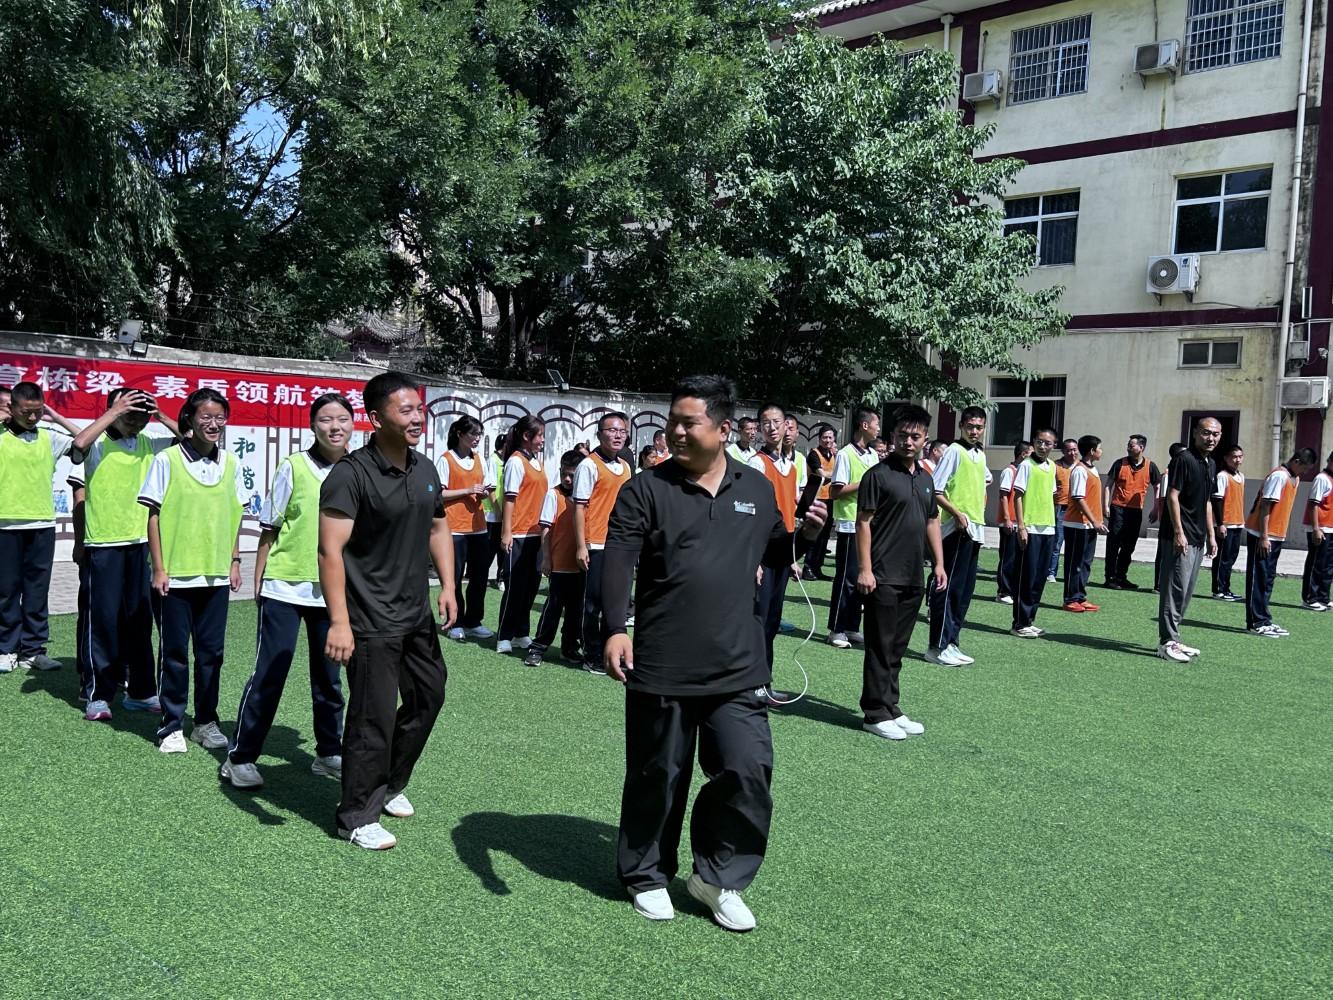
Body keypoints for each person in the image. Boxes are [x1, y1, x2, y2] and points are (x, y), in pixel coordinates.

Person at [600, 374, 826, 932]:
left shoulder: (756, 488)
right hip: (662, 662)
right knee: (658, 774)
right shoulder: (645, 489)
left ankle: (718, 877)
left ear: (723, 430)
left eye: (689, 422)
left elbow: (776, 550)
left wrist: (807, 534)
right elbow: (619, 558)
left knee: (747, 768)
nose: (676, 431)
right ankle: (647, 874)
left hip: (738, 663)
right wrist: (615, 627)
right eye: (672, 421)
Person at [319, 371, 456, 851]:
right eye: (406, 410)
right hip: (369, 618)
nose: (417, 417)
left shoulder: (425, 469)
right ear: (376, 419)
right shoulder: (350, 474)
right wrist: (339, 621)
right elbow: (329, 551)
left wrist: (448, 585)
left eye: (419, 408)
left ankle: (389, 782)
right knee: (371, 717)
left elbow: (438, 527)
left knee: (429, 697)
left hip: (415, 613)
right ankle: (356, 815)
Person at [219, 394, 353, 789]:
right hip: (284, 587)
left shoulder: (359, 470)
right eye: (325, 419)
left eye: (342, 419)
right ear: (312, 426)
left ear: (353, 424)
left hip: (333, 591)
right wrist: (259, 579)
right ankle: (240, 757)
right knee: (270, 673)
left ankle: (328, 753)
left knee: (329, 679)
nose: (334, 427)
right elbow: (270, 527)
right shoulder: (293, 466)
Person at [138, 388, 247, 753]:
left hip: (215, 575)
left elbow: (235, 516)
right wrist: (159, 568)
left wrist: (234, 561)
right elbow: (153, 516)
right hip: (175, 576)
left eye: (220, 417)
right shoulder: (167, 459)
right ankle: (171, 725)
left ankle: (205, 722)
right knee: (174, 653)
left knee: (211, 654)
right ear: (189, 419)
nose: (213, 424)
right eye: (206, 417)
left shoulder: (231, 463)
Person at [69, 388, 179, 720]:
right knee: (101, 621)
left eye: (142, 418)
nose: (137, 423)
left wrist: (159, 414)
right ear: (114, 410)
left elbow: (189, 439)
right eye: (130, 416)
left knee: (140, 621)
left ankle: (141, 692)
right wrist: (115, 412)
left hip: (141, 545)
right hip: (103, 545)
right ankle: (98, 695)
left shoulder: (149, 444)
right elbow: (78, 445)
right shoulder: (97, 443)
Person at [855, 404, 945, 740]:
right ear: (892, 436)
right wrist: (865, 569)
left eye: (915, 436)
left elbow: (932, 521)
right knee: (880, 645)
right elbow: (863, 523)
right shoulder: (877, 475)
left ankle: (891, 706)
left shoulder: (925, 478)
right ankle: (874, 713)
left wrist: (939, 563)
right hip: (882, 574)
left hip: (912, 575)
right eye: (903, 435)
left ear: (925, 439)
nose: (908, 442)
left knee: (897, 646)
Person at [0, 382, 80, 675]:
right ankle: (6, 649)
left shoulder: (49, 437)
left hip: (42, 525)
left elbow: (84, 441)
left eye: (37, 411)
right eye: (26, 412)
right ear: (12, 408)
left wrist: (56, 417)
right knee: (6, 591)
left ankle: (33, 651)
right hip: (4, 525)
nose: (33, 418)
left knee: (37, 591)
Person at [926, 407, 989, 666]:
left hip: (974, 529)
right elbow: (936, 490)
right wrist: (957, 513)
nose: (974, 431)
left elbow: (983, 483)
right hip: (955, 529)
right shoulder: (953, 451)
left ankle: (952, 642)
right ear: (961, 425)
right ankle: (937, 647)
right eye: (970, 426)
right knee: (949, 588)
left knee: (964, 591)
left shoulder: (979, 454)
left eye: (979, 427)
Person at [748, 404, 805, 685]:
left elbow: (789, 514)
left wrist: (792, 557)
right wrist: (754, 559)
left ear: (787, 426)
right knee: (757, 621)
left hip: (783, 551)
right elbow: (750, 514)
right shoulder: (757, 464)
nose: (771, 427)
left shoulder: (791, 468)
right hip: (763, 552)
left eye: (776, 422)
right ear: (760, 428)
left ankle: (764, 683)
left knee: (772, 621)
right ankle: (754, 685)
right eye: (765, 422)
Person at [1156, 418, 1221, 661]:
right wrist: (1178, 532)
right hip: (1179, 536)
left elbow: (1207, 502)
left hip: (1198, 535)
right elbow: (1172, 496)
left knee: (1186, 590)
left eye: (1215, 434)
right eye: (1206, 433)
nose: (1211, 438)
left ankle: (1174, 638)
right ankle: (1167, 642)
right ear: (1195, 433)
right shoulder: (1183, 459)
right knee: (1174, 589)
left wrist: (1211, 535)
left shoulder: (1210, 463)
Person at [573, 411, 631, 673]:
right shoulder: (589, 465)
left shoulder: (626, 467)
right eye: (612, 430)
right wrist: (581, 545)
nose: (618, 435)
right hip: (596, 543)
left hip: (620, 544)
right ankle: (592, 654)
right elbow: (579, 507)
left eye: (622, 431)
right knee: (593, 604)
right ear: (599, 435)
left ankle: (612, 654)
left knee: (616, 603)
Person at [1243, 448, 1316, 638]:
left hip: (1276, 536)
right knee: (1258, 578)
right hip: (1262, 535)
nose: (1305, 472)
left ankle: (1264, 618)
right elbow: (1265, 506)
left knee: (1267, 579)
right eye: (1305, 468)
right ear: (1297, 462)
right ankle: (1255, 622)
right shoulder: (1279, 476)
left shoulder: (1293, 478)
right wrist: (1264, 537)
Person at [437, 415, 497, 642]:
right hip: (453, 529)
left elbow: (487, 489)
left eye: (479, 434)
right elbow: (439, 494)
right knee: (453, 578)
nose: (477, 438)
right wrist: (467, 490)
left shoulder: (480, 459)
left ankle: (473, 621)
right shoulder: (446, 459)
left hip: (478, 527)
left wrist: (483, 494)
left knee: (479, 577)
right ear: (460, 434)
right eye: (473, 433)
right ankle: (455, 621)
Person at [525, 450, 586, 667]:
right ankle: (538, 647)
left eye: (572, 475)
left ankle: (569, 648)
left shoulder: (586, 497)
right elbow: (546, 529)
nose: (567, 479)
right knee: (553, 608)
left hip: (581, 565)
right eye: (564, 474)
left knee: (576, 610)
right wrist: (547, 559)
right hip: (559, 564)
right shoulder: (553, 495)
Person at [827, 405, 880, 648]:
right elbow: (836, 491)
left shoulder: (872, 455)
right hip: (850, 524)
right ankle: (836, 629)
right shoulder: (845, 454)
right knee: (846, 578)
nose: (878, 428)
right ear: (864, 425)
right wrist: (864, 482)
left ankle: (851, 626)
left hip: (868, 526)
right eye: (876, 423)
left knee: (862, 577)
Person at [497, 415, 547, 653]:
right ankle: (504, 635)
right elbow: (509, 499)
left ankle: (521, 632)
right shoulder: (516, 462)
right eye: (540, 435)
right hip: (517, 534)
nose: (543, 440)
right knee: (515, 588)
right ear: (527, 436)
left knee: (530, 587)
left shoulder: (536, 461)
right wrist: (506, 532)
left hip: (536, 535)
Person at [1010, 429, 1059, 638]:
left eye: (1048, 443)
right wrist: (1021, 526)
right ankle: (1019, 623)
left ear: (1053, 446)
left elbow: (1052, 496)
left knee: (1039, 578)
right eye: (1039, 442)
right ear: (1034, 443)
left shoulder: (1052, 466)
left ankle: (1029, 620)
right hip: (1029, 528)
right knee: (1026, 577)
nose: (1043, 446)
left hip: (1048, 528)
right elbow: (1017, 497)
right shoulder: (1026, 465)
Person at [1103, 435, 1162, 589]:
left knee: (1129, 545)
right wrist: (1105, 506)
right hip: (1118, 508)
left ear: (1141, 448)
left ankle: (1121, 576)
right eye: (1128, 445)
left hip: (1136, 511)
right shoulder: (1119, 463)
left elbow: (1157, 487)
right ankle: (1110, 577)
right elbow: (1108, 485)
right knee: (1113, 543)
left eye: (1132, 445)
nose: (1128, 448)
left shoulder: (1150, 466)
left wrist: (1156, 508)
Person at [1061, 435, 1107, 614]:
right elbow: (1078, 498)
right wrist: (1094, 520)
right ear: (1092, 451)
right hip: (1077, 525)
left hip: (1089, 525)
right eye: (1099, 448)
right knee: (1075, 563)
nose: (1101, 451)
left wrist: (1096, 520)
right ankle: (1070, 599)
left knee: (1086, 562)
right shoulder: (1080, 470)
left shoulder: (1092, 469)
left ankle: (1080, 596)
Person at [996, 441, 1031, 605]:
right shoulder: (1009, 471)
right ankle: (1003, 592)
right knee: (1008, 558)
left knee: (1017, 559)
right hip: (1010, 522)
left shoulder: (1024, 471)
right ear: (1023, 454)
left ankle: (1012, 590)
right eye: (1031, 453)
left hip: (1021, 522)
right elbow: (1003, 496)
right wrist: (1007, 519)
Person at [801, 424, 837, 580]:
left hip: (830, 499)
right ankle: (807, 567)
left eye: (830, 437)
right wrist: (837, 473)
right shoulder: (814, 454)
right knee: (813, 534)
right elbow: (822, 475)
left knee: (825, 536)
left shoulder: (833, 454)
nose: (827, 440)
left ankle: (817, 567)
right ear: (819, 438)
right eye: (824, 437)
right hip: (816, 499)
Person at [1210, 445, 1246, 601]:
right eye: (1234, 457)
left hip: (1238, 523)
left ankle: (1226, 588)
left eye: (1240, 456)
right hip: (1225, 524)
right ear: (1226, 458)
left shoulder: (1241, 476)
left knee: (1231, 557)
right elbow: (1216, 500)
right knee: (1222, 558)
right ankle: (1218, 590)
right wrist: (1220, 524)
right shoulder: (1222, 476)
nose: (1237, 460)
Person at [1302, 450, 1333, 611]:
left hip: (1330, 528)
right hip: (1320, 528)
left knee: (1328, 566)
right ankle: (1310, 598)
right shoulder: (1322, 479)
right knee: (1316, 564)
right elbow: (1313, 504)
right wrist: (1316, 528)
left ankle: (1323, 596)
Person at [1153, 442, 1186, 592]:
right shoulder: (1168, 474)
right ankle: (1159, 584)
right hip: (1168, 518)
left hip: (1180, 516)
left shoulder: (1182, 471)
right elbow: (1164, 499)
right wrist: (1161, 516)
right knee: (1164, 551)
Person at [1049, 438, 1079, 583]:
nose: (1072, 453)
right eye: (1069, 450)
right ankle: (1051, 572)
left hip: (1077, 509)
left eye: (1074, 450)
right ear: (1063, 451)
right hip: (1060, 508)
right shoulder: (1055, 466)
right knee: (1057, 542)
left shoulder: (1081, 466)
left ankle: (1072, 574)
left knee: (1074, 545)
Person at [484, 432, 507, 590]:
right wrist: (497, 510)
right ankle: (482, 576)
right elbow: (491, 488)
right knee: (490, 549)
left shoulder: (506, 461)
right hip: (493, 515)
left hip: (504, 513)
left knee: (503, 549)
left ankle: (501, 578)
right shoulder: (493, 461)